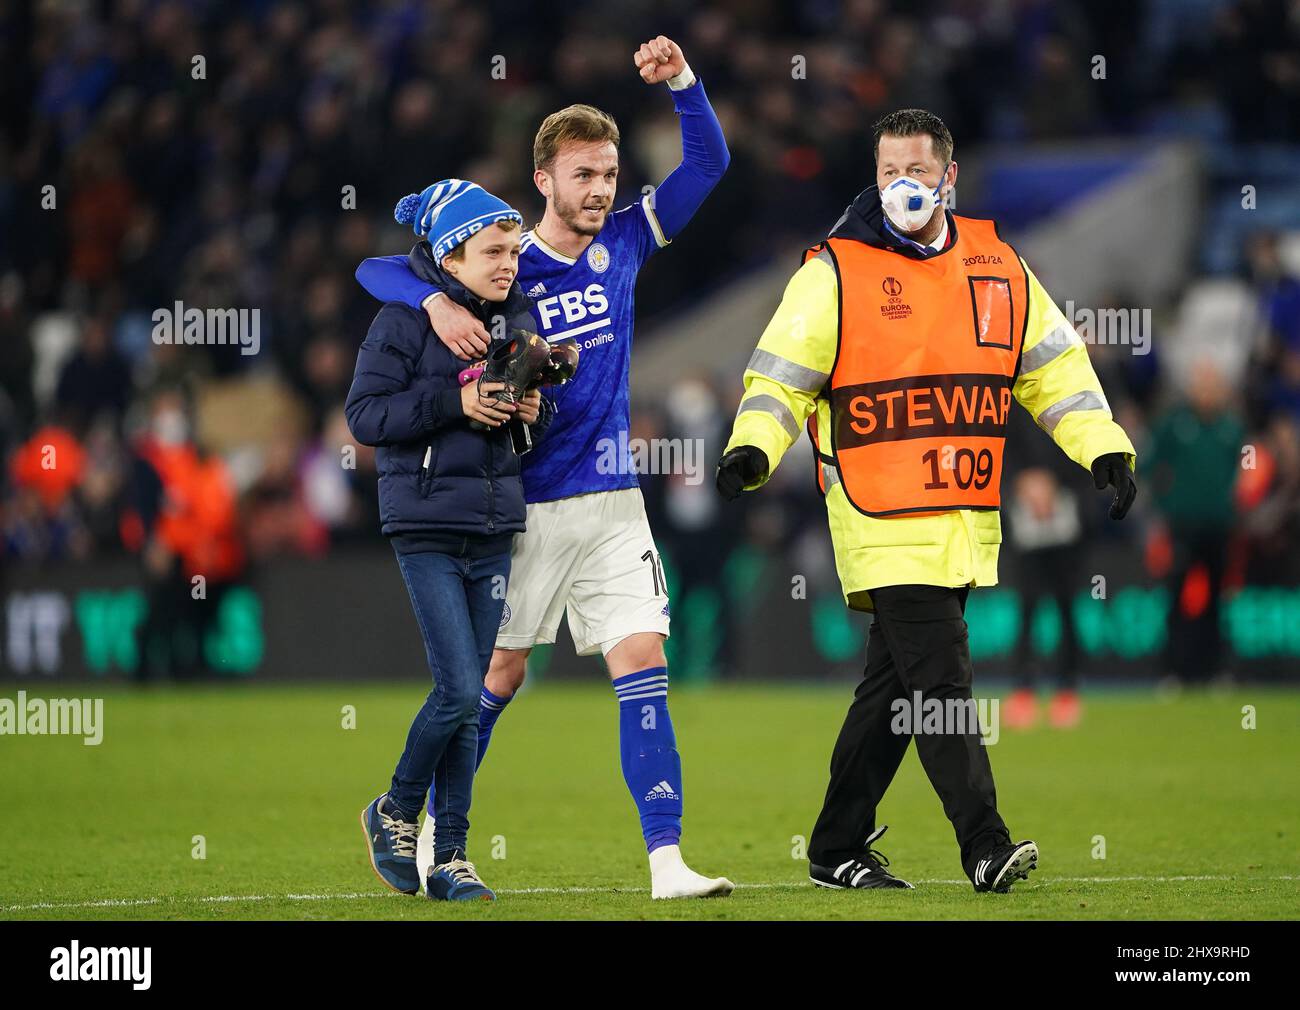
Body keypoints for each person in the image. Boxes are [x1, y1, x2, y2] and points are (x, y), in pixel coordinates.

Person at [716, 109, 1138, 894]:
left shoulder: (999, 264)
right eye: (887, 172)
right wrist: (755, 447)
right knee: (942, 688)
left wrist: (1103, 445)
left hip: (958, 516)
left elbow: (1053, 367)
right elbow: (781, 377)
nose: (901, 186)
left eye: (916, 170)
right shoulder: (833, 271)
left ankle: (835, 846)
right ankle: (984, 843)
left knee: (893, 692)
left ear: (949, 175)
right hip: (879, 514)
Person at [354, 35, 733, 900]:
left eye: (607, 174)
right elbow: (380, 268)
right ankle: (425, 833)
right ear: (544, 184)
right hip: (521, 505)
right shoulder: (505, 257)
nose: (599, 191)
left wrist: (682, 82)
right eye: (582, 177)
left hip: (612, 503)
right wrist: (435, 296)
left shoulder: (629, 241)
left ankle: (666, 861)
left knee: (643, 663)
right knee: (495, 680)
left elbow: (708, 164)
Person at [348, 180, 547, 902]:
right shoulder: (401, 322)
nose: (509, 263)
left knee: (465, 699)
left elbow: (527, 427)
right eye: (493, 251)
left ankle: (452, 857)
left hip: (492, 524)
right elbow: (365, 417)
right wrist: (454, 402)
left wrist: (530, 410)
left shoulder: (514, 316)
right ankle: (397, 809)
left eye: (513, 250)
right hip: (426, 523)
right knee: (462, 690)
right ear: (450, 258)